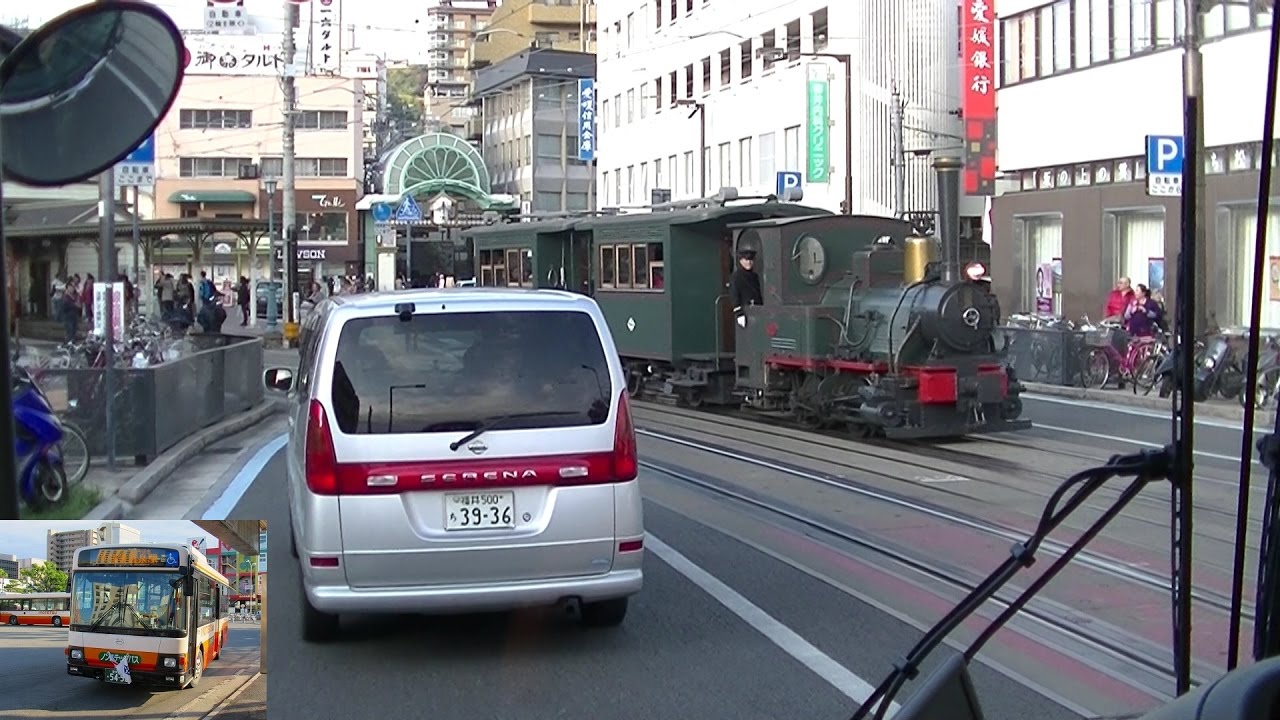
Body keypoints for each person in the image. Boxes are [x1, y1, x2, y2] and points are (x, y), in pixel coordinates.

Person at [728, 247, 763, 328]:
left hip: (756, 311)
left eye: (751, 260)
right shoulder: (736, 277)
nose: (749, 262)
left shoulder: (755, 276)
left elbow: (758, 294)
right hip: (745, 312)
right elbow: (734, 295)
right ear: (741, 261)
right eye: (746, 260)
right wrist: (739, 313)